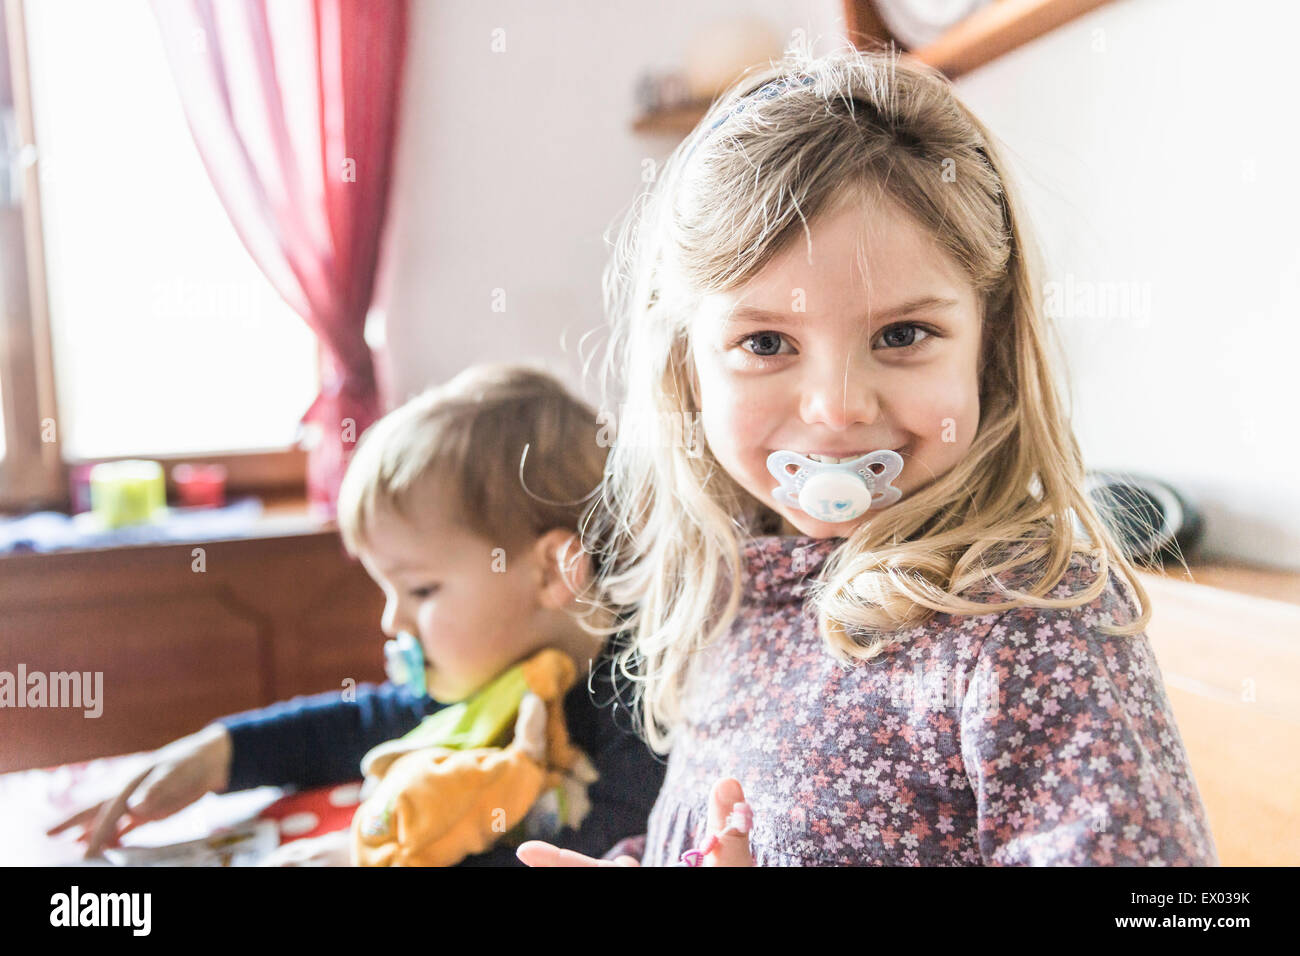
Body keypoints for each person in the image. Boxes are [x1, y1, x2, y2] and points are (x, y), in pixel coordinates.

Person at [516, 43, 1219, 867]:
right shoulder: (735, 594)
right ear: (687, 367)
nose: (838, 406)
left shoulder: (1031, 626)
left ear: (985, 349)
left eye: (903, 334)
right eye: (767, 341)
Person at [49, 363, 665, 865]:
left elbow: (590, 853)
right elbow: (372, 720)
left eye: (420, 590)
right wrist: (219, 753)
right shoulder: (504, 667)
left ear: (552, 572)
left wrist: (375, 857)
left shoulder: (647, 709)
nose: (391, 622)